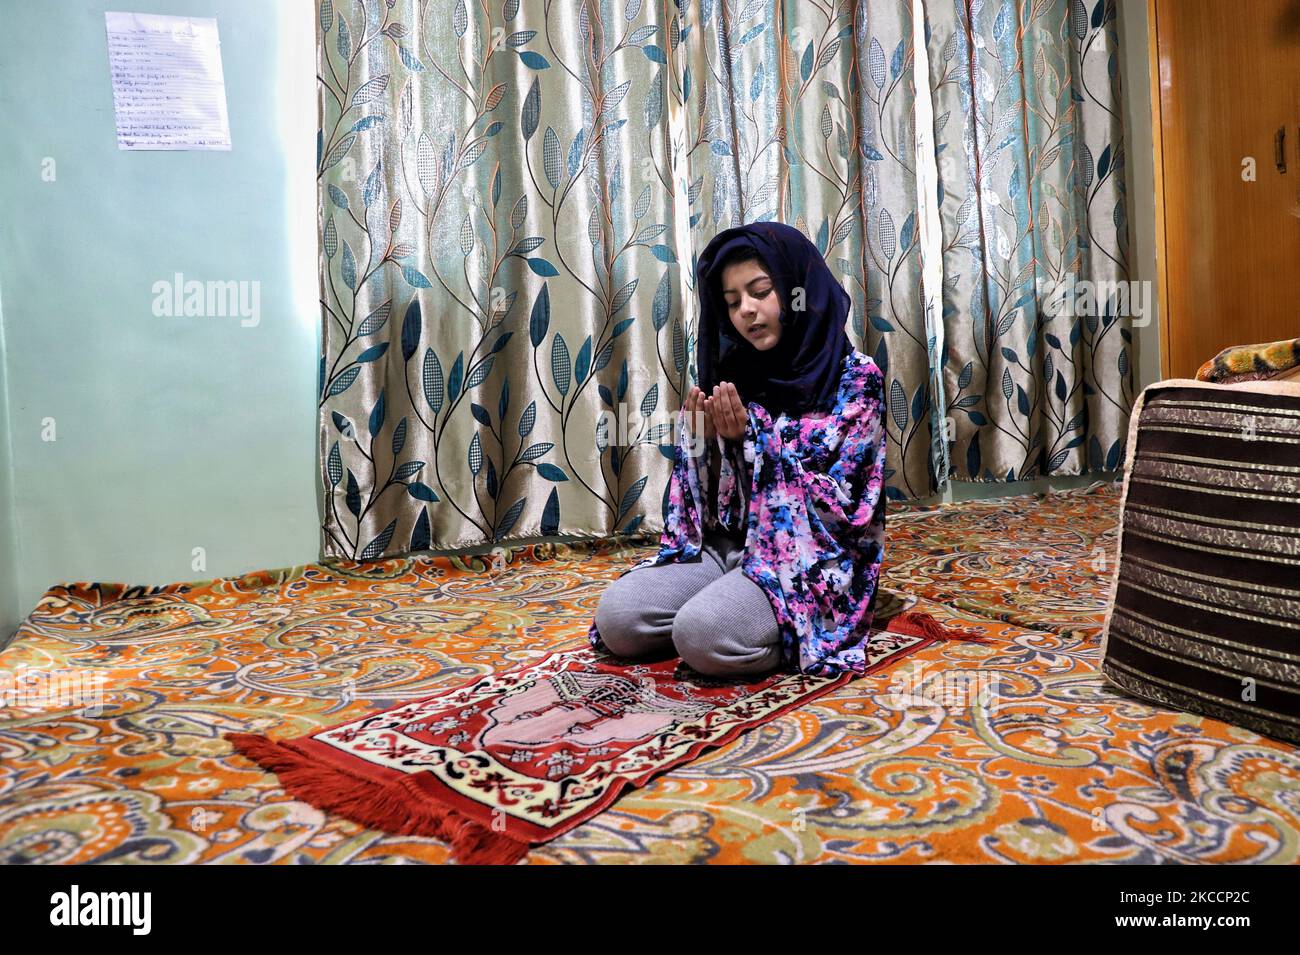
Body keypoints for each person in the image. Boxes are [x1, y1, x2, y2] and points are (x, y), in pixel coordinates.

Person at [586, 220, 888, 679]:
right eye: (732, 302)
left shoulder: (855, 379)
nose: (746, 310)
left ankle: (775, 630)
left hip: (808, 562)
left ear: (797, 289)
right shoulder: (735, 374)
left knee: (702, 636)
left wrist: (753, 439)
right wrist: (707, 445)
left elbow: (846, 507)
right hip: (729, 545)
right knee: (619, 621)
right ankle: (730, 607)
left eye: (761, 291)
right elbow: (704, 505)